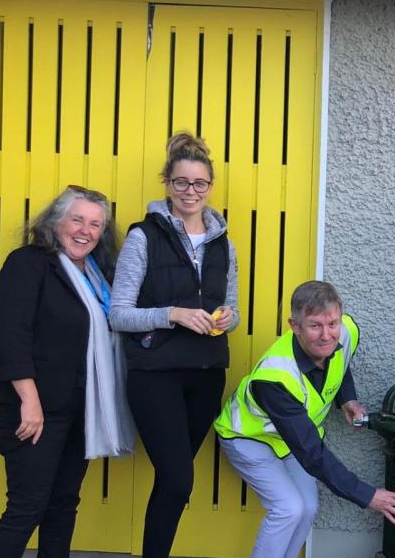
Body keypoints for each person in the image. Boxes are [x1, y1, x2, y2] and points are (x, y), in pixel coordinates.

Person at [0, 185, 135, 557]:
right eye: (76, 219)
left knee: (63, 504)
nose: (85, 231)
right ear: (55, 222)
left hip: (80, 407)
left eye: (96, 224)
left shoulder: (97, 276)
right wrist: (29, 402)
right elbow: (12, 337)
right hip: (32, 408)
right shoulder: (29, 263)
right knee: (26, 507)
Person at [110, 132, 241, 558]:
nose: (191, 192)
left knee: (173, 482)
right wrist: (173, 314)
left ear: (210, 186)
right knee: (179, 479)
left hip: (206, 374)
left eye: (199, 183)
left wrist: (227, 319)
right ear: (167, 183)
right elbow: (119, 314)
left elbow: (233, 309)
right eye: (182, 182)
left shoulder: (225, 243)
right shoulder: (143, 237)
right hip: (155, 374)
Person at [214, 280, 395, 558]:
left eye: (332, 323)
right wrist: (368, 496)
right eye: (315, 325)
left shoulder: (347, 332)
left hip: (291, 439)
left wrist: (347, 399)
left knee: (307, 509)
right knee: (288, 508)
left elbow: (340, 360)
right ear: (295, 326)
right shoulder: (274, 378)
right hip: (249, 437)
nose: (327, 334)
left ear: (341, 314)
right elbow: (310, 451)